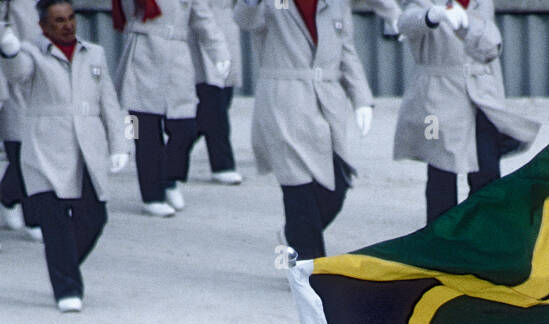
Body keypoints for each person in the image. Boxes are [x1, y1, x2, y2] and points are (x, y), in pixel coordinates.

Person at [0, 2, 128, 311]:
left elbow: (112, 104)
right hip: (45, 153)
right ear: (44, 27)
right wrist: (9, 51)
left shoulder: (94, 53)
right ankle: (67, 288)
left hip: (87, 152)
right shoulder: (32, 53)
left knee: (95, 218)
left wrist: (123, 145)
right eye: (59, 21)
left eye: (71, 18)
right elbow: (18, 73)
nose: (68, 25)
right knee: (55, 223)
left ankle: (64, 266)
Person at [234, 0, 374, 260]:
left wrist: (362, 99)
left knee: (336, 187)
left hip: (327, 103)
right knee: (299, 188)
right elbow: (245, 19)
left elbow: (347, 50)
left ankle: (293, 236)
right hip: (284, 101)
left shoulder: (335, 4)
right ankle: (309, 271)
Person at [393, 0, 539, 224]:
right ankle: (438, 244)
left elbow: (492, 47)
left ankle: (480, 235)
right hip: (438, 94)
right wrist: (432, 15)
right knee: (442, 172)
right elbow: (404, 23)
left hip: (481, 94)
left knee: (487, 170)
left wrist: (467, 25)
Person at [113, 0, 230, 216]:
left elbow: (204, 20)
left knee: (186, 128)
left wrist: (219, 51)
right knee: (144, 132)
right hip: (142, 53)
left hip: (178, 56)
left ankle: (169, 178)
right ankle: (152, 197)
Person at [0, 0, 43, 242]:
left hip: (43, 60)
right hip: (11, 63)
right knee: (22, 142)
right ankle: (34, 216)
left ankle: (7, 195)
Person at [188, 0, 242, 184]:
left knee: (220, 102)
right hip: (203, 29)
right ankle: (222, 165)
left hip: (227, 25)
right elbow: (198, 9)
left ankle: (171, 153)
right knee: (212, 101)